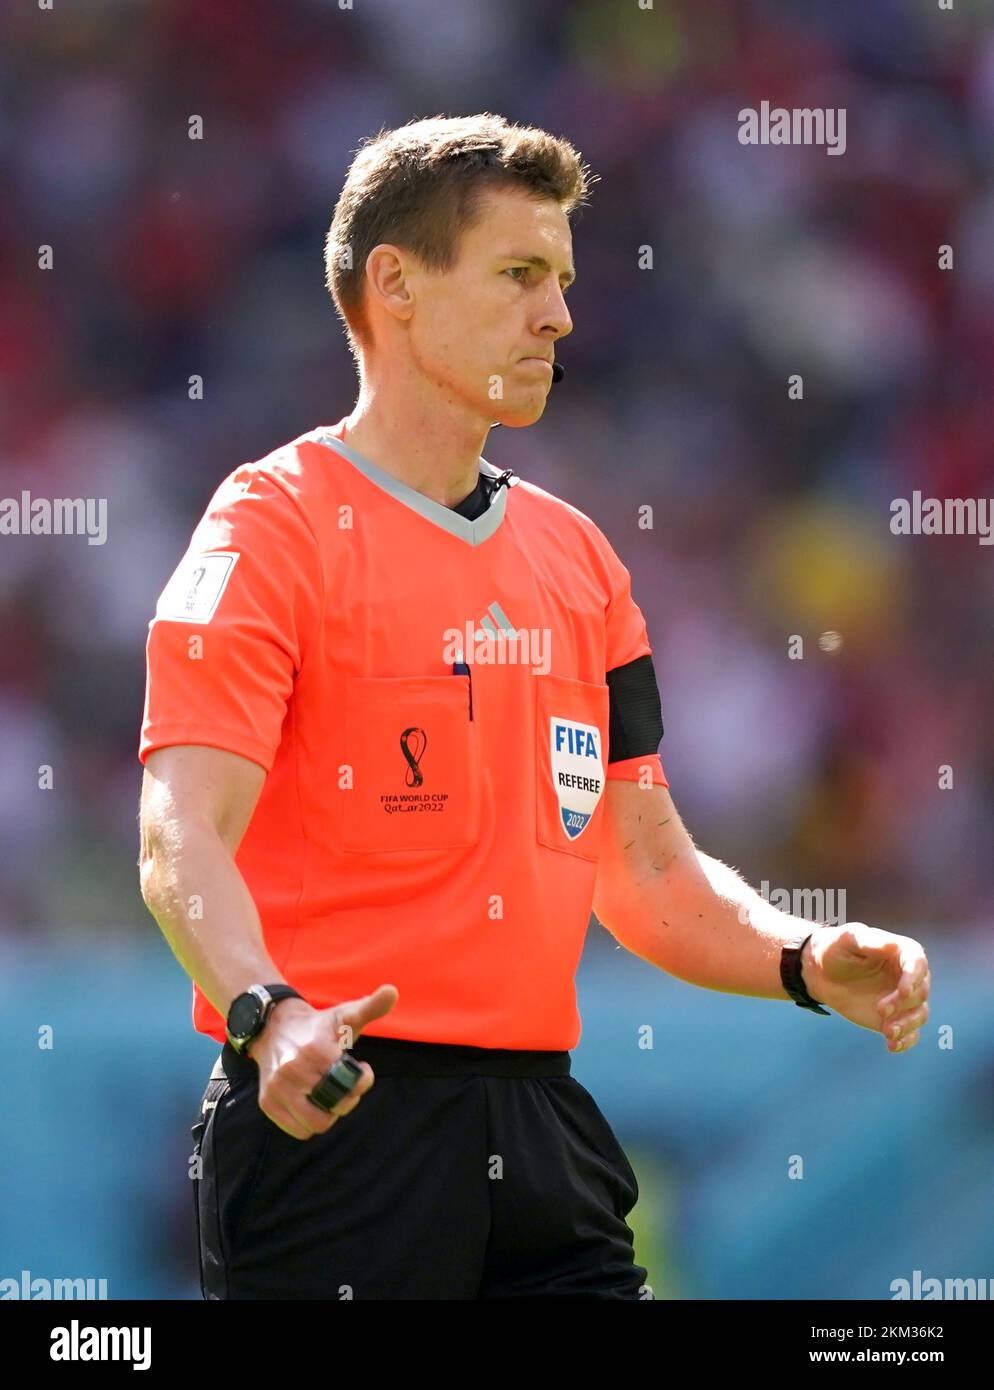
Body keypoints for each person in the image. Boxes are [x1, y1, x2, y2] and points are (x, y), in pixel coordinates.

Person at [137, 113, 931, 1301]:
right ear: (394, 287)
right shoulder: (271, 530)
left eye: (561, 279)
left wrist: (804, 956)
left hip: (543, 1128)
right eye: (519, 274)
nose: (558, 315)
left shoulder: (579, 560)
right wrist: (267, 1014)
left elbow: (647, 871)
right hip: (335, 1122)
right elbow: (175, 832)